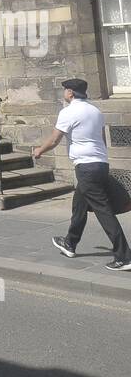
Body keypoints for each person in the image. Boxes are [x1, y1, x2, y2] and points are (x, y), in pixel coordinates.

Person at [34, 77, 131, 272]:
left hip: (86, 168)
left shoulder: (68, 112)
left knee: (103, 211)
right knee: (79, 204)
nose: (64, 93)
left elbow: (54, 140)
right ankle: (70, 242)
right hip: (100, 164)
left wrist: (39, 151)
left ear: (70, 93)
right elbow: (101, 139)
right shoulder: (95, 111)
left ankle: (123, 256)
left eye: (65, 90)